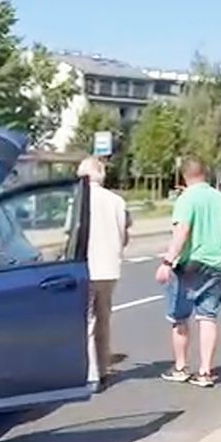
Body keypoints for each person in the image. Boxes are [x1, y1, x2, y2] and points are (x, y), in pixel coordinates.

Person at [156, 157, 221, 388]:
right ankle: (205, 371)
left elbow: (183, 230)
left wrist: (167, 262)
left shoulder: (186, 198)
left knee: (180, 317)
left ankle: (181, 367)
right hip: (217, 263)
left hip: (191, 265)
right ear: (205, 174)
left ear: (184, 176)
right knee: (208, 317)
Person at [78, 156, 128, 393]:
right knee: (104, 319)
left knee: (87, 321)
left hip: (86, 267)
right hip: (109, 268)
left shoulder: (79, 200)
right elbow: (124, 235)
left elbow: (72, 232)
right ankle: (104, 367)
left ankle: (91, 374)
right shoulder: (117, 201)